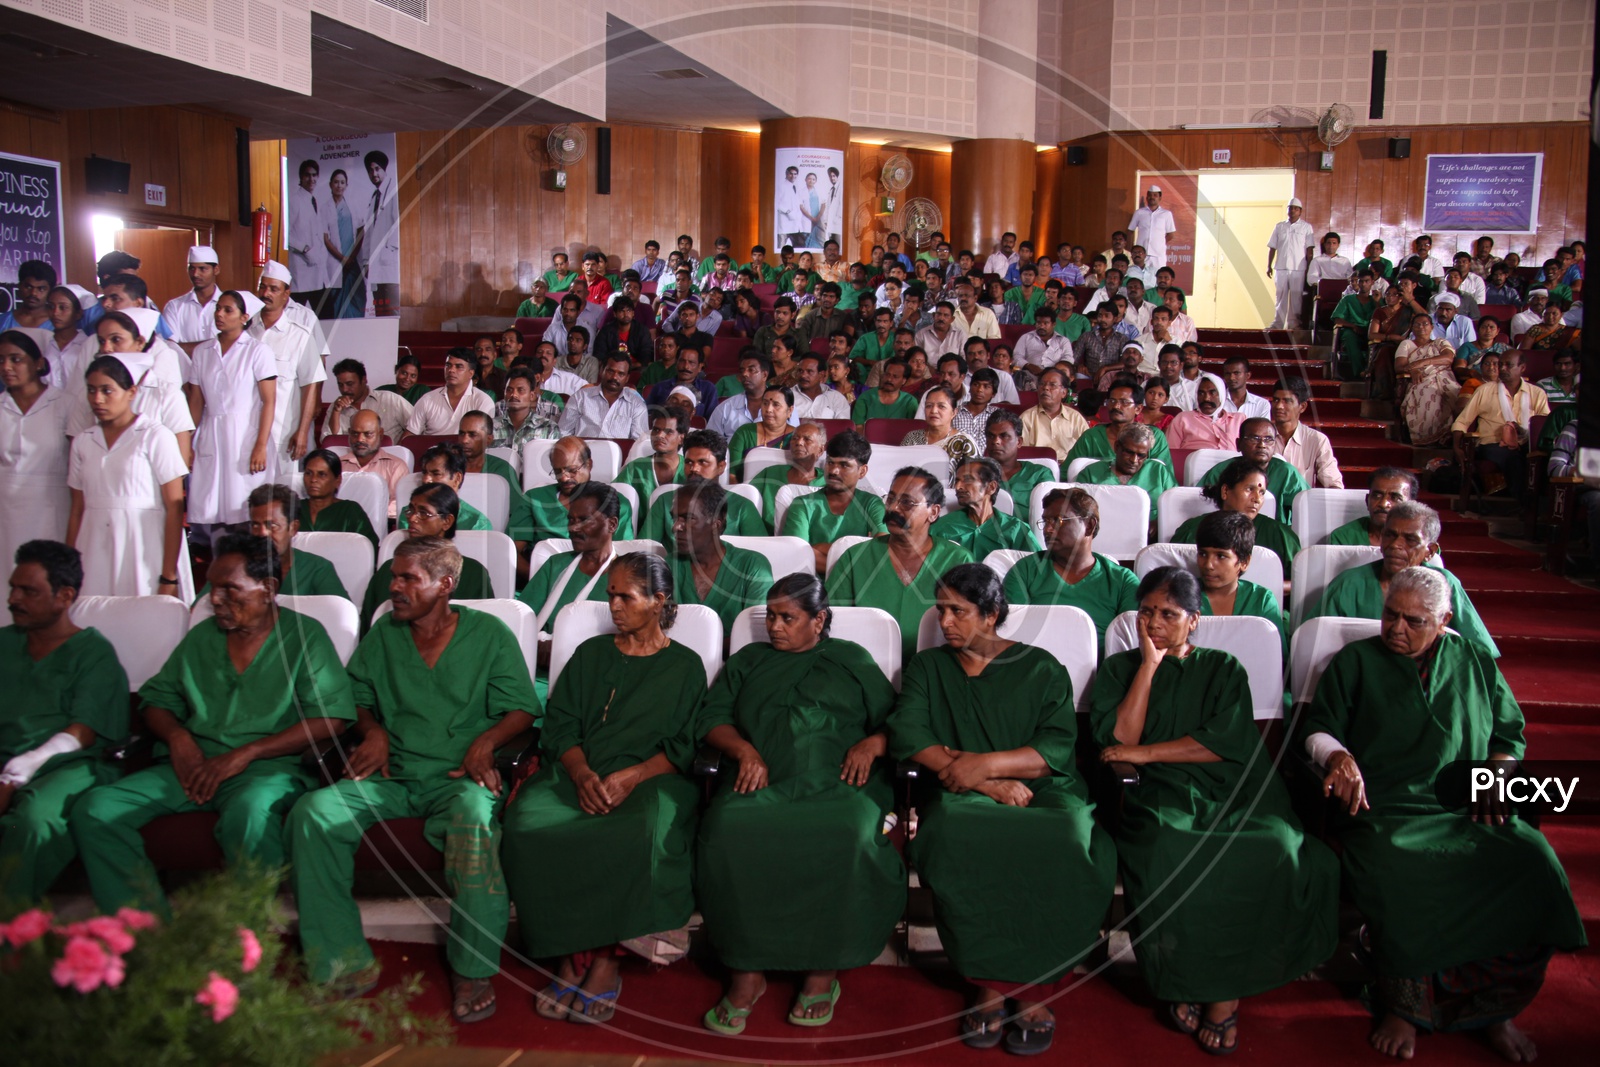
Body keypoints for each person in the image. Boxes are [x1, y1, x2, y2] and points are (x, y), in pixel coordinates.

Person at [1302, 567, 1585, 1062]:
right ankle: (1405, 1008)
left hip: (1464, 808)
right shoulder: (1355, 662)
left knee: (1533, 859)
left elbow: (1508, 734)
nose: (1395, 628)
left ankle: (1494, 1009)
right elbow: (1320, 728)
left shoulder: (1474, 659)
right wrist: (1337, 757)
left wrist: (1497, 775)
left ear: (1444, 620)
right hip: (1384, 812)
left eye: (1414, 621)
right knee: (1399, 872)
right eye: (1391, 614)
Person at [1092, 566, 1337, 1054]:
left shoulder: (1224, 667)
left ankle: (1224, 995)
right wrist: (1147, 666)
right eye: (1145, 613)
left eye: (1168, 614)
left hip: (1235, 785)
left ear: (1194, 621)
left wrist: (1143, 753)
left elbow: (1218, 745)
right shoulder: (1121, 669)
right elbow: (1119, 739)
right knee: (1167, 845)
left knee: (1274, 846)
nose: (1154, 623)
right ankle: (1189, 979)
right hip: (1162, 791)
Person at [289, 537, 537, 1016]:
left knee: (473, 825)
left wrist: (486, 742)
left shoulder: (488, 634)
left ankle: (472, 969)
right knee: (313, 814)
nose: (394, 587)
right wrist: (372, 729)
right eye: (394, 576)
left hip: (458, 777)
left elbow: (522, 709)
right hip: (391, 776)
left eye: (408, 578)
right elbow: (354, 695)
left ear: (445, 585)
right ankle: (341, 959)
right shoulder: (385, 633)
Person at [891, 564, 1116, 1055]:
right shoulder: (930, 668)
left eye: (959, 611)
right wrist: (984, 781)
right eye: (941, 609)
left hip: (1044, 789)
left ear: (991, 615)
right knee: (953, 830)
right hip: (961, 793)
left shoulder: (1041, 666)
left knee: (1070, 838)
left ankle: (1031, 990)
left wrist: (987, 766)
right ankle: (988, 983)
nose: (945, 621)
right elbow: (910, 735)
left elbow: (1055, 748)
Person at [70, 534, 355, 915]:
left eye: (229, 589)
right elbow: (157, 699)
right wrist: (177, 736)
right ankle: (145, 929)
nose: (215, 599)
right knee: (97, 809)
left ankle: (244, 937)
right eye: (212, 588)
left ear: (268, 588)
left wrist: (249, 751)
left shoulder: (304, 637)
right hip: (193, 766)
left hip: (265, 769)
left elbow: (331, 717)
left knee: (251, 815)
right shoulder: (203, 636)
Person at [504, 552, 705, 1023]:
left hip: (654, 778)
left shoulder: (685, 666)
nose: (612, 604)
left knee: (642, 830)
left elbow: (684, 743)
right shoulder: (591, 654)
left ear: (658, 601)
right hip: (578, 771)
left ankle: (605, 962)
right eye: (610, 594)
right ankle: (569, 954)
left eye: (625, 596)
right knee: (528, 823)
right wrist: (581, 774)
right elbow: (560, 726)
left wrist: (632, 776)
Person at [696, 573, 902, 1032]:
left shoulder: (851, 659)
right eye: (770, 616)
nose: (774, 626)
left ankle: (821, 970)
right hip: (762, 779)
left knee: (849, 832)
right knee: (727, 828)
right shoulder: (749, 660)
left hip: (841, 782)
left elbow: (898, 721)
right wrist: (744, 751)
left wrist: (873, 744)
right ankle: (747, 971)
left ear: (819, 620)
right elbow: (712, 719)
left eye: (788, 618)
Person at [0, 540, 128, 903]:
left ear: (64, 596)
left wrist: (13, 776)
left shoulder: (92, 653)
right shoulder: (4, 645)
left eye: (29, 591)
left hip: (70, 764)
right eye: (12, 587)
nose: (14, 599)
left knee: (33, 821)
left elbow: (82, 732)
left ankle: (10, 934)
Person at [67, 356, 192, 601]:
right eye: (91, 391)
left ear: (131, 392)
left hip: (143, 544)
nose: (97, 399)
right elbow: (77, 510)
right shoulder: (83, 441)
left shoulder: (155, 436)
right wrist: (68, 566)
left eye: (107, 391)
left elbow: (175, 509)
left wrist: (168, 575)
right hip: (93, 545)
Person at [1307, 501, 1499, 656]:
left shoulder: (1445, 585)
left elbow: (1479, 652)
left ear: (1430, 551)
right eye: (1390, 535)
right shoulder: (1349, 583)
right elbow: (1311, 642)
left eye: (1410, 540)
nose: (1395, 545)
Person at [825, 468, 972, 661]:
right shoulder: (855, 557)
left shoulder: (958, 560)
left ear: (933, 512)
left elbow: (970, 630)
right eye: (891, 499)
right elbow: (832, 623)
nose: (893, 508)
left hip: (936, 669)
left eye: (907, 502)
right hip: (863, 668)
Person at [183, 290, 277, 545]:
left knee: (244, 506)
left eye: (228, 310)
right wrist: (189, 441)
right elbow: (196, 400)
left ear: (245, 317)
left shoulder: (258, 351)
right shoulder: (203, 351)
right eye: (218, 309)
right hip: (212, 432)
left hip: (247, 433)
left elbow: (269, 401)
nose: (219, 314)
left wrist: (260, 445)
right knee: (214, 507)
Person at [1002, 487, 1138, 652]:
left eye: (1058, 520)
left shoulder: (1123, 581)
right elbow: (1012, 634)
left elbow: (1131, 646)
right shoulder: (1024, 571)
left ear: (1089, 526)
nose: (1047, 529)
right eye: (1045, 521)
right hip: (1037, 670)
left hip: (1103, 672)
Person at [361, 483, 493, 630]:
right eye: (411, 511)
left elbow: (483, 630)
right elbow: (368, 627)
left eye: (424, 513)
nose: (412, 518)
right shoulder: (390, 570)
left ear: (447, 521)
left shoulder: (473, 573)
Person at [193, 484, 347, 601]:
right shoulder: (233, 566)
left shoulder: (317, 568)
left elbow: (340, 616)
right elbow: (201, 610)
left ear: (293, 528)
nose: (261, 534)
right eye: (255, 525)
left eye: (271, 526)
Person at [0, 332, 73, 570]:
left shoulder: (64, 403)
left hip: (52, 508)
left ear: (38, 362)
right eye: (0, 360)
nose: (7, 367)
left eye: (16, 359)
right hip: (5, 511)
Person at [666, 483, 772, 631]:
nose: (676, 527)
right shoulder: (668, 565)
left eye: (688, 518)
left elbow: (752, 635)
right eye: (675, 518)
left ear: (715, 524)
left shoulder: (753, 566)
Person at [252, 262, 325, 465]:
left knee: (283, 493)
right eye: (263, 287)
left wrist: (302, 432)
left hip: (283, 436)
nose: (266, 293)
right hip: (249, 435)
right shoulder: (247, 330)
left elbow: (311, 384)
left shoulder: (299, 335)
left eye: (273, 289)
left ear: (286, 294)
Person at [638, 430, 764, 543]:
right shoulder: (665, 501)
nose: (694, 469)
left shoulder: (743, 506)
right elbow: (644, 549)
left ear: (721, 467)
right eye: (689, 462)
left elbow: (759, 553)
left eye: (703, 462)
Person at [1172, 458, 1301, 566]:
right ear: (1225, 491)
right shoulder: (1192, 529)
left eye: (1262, 493)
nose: (1257, 499)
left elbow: (1299, 582)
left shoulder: (1280, 534)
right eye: (1249, 489)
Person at [1194, 511, 1287, 657]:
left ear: (1244, 562)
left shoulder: (1262, 600)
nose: (1208, 565)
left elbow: (1276, 658)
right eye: (1203, 554)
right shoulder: (1181, 596)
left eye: (1221, 556)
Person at [515, 436, 634, 544]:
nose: (564, 478)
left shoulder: (616, 503)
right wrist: (544, 569)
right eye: (557, 472)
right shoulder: (534, 499)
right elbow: (514, 554)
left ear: (589, 465)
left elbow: (623, 554)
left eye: (572, 470)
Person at [1197, 416, 1308, 522]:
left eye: (1269, 439)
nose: (1262, 445)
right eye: (1254, 438)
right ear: (1238, 444)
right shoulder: (1221, 471)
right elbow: (1199, 504)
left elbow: (1307, 508)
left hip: (1270, 534)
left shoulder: (1286, 473)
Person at [930, 457, 1042, 556]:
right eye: (957, 480)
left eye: (967, 480)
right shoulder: (942, 527)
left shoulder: (1016, 529)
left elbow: (1036, 569)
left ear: (991, 487)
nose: (958, 486)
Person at [1067, 378, 1174, 468]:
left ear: (1138, 408)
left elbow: (1163, 477)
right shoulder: (1092, 436)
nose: (1116, 406)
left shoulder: (1154, 436)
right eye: (1112, 401)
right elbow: (1067, 471)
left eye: (1124, 402)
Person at [1395, 313, 1460, 446]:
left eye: (1425, 324)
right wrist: (1413, 370)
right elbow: (1399, 366)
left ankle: (1452, 436)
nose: (1421, 327)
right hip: (1421, 379)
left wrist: (1423, 362)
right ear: (1412, 328)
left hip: (1443, 376)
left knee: (1457, 393)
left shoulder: (1440, 342)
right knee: (1428, 393)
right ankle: (1431, 438)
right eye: (1417, 324)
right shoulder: (1406, 344)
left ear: (1431, 327)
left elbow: (1448, 358)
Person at [616, 407, 687, 527]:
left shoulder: (690, 470)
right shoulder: (635, 468)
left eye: (668, 431)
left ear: (681, 438)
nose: (659, 435)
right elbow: (615, 501)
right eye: (656, 430)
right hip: (638, 537)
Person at [746, 420, 826, 525]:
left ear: (820, 450)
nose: (799, 442)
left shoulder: (827, 481)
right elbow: (745, 504)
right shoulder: (770, 473)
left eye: (807, 439)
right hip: (766, 538)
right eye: (795, 438)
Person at [555, 351, 648, 439]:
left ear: (627, 378)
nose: (614, 377)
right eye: (610, 371)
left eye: (621, 374)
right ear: (601, 371)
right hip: (582, 454)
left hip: (620, 455)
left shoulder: (637, 404)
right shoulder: (580, 397)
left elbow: (639, 442)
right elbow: (563, 433)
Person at [1271, 377, 1343, 488]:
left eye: (1287, 401)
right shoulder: (1262, 437)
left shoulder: (1317, 440)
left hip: (1302, 503)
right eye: (1276, 400)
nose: (1279, 406)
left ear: (1302, 406)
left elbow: (1334, 484)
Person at [405, 348, 495, 437]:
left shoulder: (482, 401)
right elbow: (409, 437)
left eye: (459, 366)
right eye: (448, 365)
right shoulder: (428, 399)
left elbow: (481, 440)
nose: (451, 370)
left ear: (471, 373)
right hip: (433, 450)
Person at [983, 410, 1054, 522]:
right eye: (991, 436)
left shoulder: (1039, 474)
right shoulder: (976, 473)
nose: (996, 441)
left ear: (1019, 442)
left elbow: (1049, 515)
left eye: (1004, 436)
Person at [300, 448, 379, 547]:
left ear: (337, 480)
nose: (313, 479)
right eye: (308, 473)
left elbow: (370, 549)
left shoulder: (350, 511)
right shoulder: (294, 509)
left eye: (322, 474)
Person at [319, 358, 412, 443]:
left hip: (388, 459)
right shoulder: (336, 407)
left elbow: (417, 428)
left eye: (350, 384)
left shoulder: (391, 400)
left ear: (364, 380)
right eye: (340, 385)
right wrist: (336, 412)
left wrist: (400, 448)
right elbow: (329, 443)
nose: (344, 390)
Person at [900, 385, 980, 480]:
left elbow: (974, 480)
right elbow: (900, 471)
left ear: (954, 412)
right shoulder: (912, 437)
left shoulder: (964, 442)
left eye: (941, 406)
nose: (933, 411)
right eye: (929, 406)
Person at [1325, 467, 1418, 546]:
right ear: (1367, 500)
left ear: (1410, 506)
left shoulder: (1420, 539)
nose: (1383, 504)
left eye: (1395, 498)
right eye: (1377, 496)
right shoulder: (1344, 537)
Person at [728, 385, 796, 481]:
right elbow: (731, 474)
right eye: (765, 403)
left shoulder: (798, 437)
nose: (768, 409)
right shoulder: (745, 432)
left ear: (790, 410)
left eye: (776, 405)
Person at [1021, 367, 1090, 462]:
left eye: (1052, 385)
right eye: (1042, 384)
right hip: (1037, 470)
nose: (1045, 388)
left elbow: (1088, 451)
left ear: (1064, 392)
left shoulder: (1075, 418)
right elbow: (1022, 453)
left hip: (1068, 469)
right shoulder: (1026, 417)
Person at [161, 246, 222, 352]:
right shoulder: (174, 306)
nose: (195, 274)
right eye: (192, 268)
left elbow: (233, 348)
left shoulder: (231, 307)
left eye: (202, 269)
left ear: (216, 270)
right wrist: (216, 345)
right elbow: (170, 349)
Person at [1331, 270, 1380, 377]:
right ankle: (1359, 373)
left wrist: (1376, 302)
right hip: (1352, 330)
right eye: (1360, 281)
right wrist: (1353, 326)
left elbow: (1381, 317)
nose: (1363, 284)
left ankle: (1371, 373)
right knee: (1349, 337)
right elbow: (1337, 319)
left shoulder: (1376, 300)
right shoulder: (1348, 299)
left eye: (1366, 281)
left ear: (1372, 282)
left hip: (1371, 330)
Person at [850, 356, 918, 425]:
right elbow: (858, 427)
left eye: (895, 376)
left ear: (904, 380)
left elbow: (913, 429)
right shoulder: (866, 397)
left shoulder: (909, 402)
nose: (889, 379)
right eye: (887, 374)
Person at [1128, 184, 1178, 269]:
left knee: (1158, 278)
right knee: (1140, 277)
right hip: (1141, 255)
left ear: (1160, 198)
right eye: (1150, 195)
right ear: (1147, 198)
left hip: (1158, 255)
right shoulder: (1139, 213)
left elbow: (1171, 234)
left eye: (1155, 195)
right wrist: (1132, 247)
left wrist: (1159, 243)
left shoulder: (1166, 214)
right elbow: (1130, 231)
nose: (1152, 197)